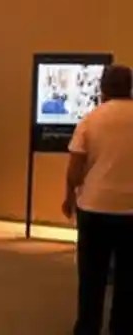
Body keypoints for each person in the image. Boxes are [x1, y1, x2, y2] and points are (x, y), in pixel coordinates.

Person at [64, 64, 133, 335]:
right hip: (131, 211)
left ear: (102, 88)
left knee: (91, 276)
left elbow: (75, 166)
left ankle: (88, 327)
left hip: (94, 207)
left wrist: (69, 195)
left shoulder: (91, 119)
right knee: (128, 278)